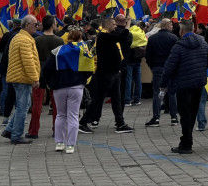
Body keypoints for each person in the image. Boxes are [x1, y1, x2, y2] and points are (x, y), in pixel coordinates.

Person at [161, 20, 208, 154]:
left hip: (183, 84)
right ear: (194, 29)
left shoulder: (179, 46)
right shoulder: (203, 42)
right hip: (198, 82)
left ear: (181, 31)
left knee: (184, 114)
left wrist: (163, 83)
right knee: (192, 112)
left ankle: (186, 144)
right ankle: (186, 140)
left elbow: (169, 67)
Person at [78, 15, 133, 134]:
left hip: (114, 73)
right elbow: (122, 36)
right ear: (107, 25)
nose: (115, 26)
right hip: (105, 74)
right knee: (98, 99)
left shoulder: (109, 36)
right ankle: (83, 122)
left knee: (117, 99)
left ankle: (120, 123)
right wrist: (128, 24)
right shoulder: (103, 36)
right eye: (113, 24)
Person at [41, 26, 92, 154]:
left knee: (60, 115)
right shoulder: (84, 50)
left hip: (59, 86)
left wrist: (49, 82)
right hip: (76, 86)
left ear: (68, 38)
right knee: (73, 116)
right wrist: (83, 79)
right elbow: (90, 68)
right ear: (80, 37)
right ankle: (70, 145)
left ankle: (59, 143)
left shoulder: (57, 51)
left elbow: (46, 68)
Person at [1, 15, 40, 144]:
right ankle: (16, 136)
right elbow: (28, 60)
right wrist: (35, 78)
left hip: (19, 77)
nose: (37, 26)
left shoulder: (20, 37)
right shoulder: (24, 39)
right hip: (22, 78)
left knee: (22, 106)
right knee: (23, 108)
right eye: (35, 24)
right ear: (27, 25)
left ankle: (9, 130)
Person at [27, 15, 63, 139]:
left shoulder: (36, 40)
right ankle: (56, 130)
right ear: (53, 25)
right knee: (56, 104)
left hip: (40, 72)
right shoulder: (59, 41)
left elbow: (33, 58)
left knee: (37, 103)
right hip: (55, 73)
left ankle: (33, 131)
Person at [144, 19, 179, 127]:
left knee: (157, 93)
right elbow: (177, 54)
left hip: (158, 68)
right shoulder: (174, 38)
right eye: (171, 25)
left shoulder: (153, 38)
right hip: (170, 69)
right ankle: (174, 118)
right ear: (167, 26)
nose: (172, 26)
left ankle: (156, 118)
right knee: (172, 93)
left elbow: (148, 55)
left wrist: (152, 66)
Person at [124, 21, 147, 106]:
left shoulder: (129, 32)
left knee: (128, 80)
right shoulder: (141, 32)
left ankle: (127, 100)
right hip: (138, 58)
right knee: (138, 80)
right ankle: (137, 100)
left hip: (129, 59)